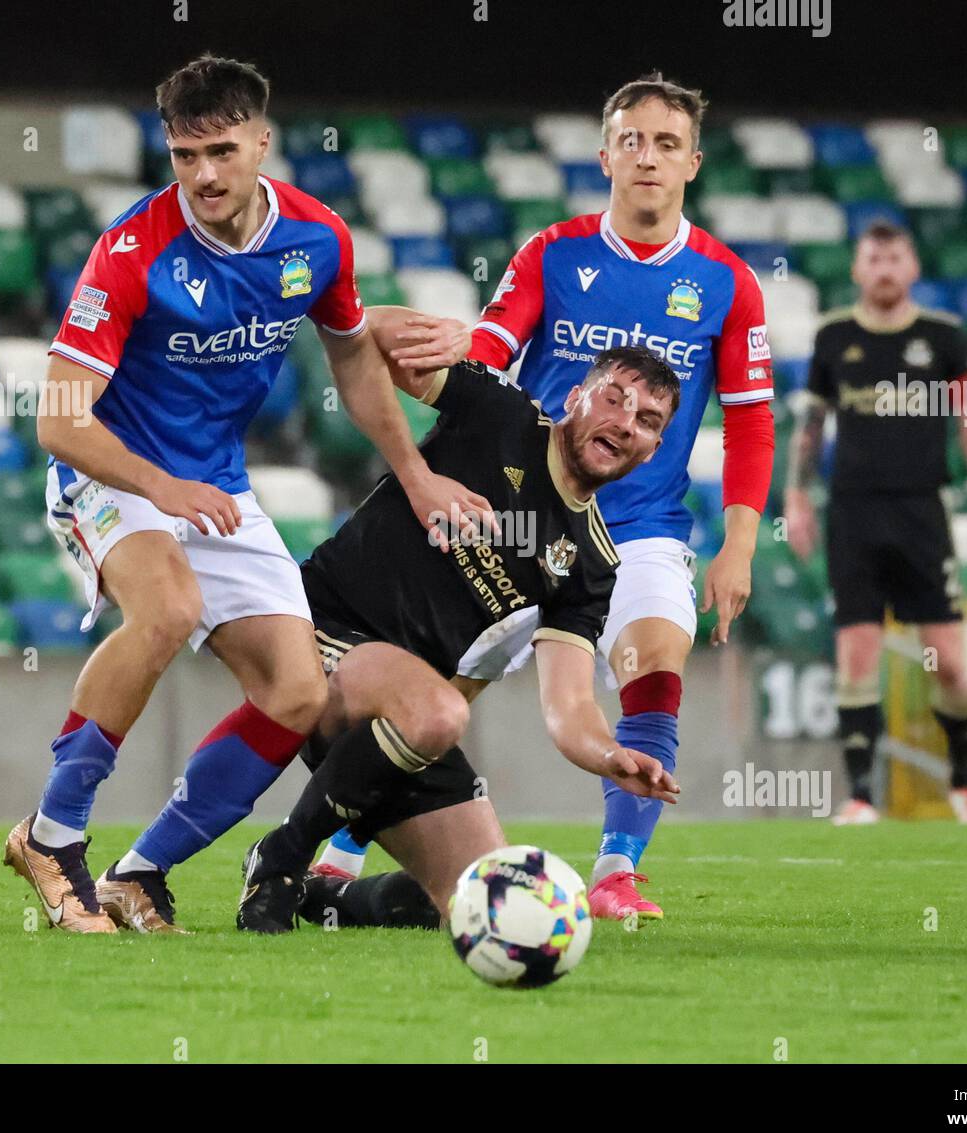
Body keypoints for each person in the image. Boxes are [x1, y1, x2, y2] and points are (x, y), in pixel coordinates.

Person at [2, 55, 490, 933]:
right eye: (184, 156)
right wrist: (164, 486)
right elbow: (59, 421)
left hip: (213, 485)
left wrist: (415, 476)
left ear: (263, 143)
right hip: (114, 472)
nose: (204, 175)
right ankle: (52, 835)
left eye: (222, 151)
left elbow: (353, 358)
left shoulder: (316, 240)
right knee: (162, 610)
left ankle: (139, 872)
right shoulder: (130, 251)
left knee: (299, 693)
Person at [312, 74, 776, 921]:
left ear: (693, 164)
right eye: (631, 140)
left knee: (652, 667)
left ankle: (617, 868)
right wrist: (455, 341)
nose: (647, 156)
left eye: (666, 143)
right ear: (605, 156)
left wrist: (738, 542)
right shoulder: (553, 253)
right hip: (535, 515)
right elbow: (490, 350)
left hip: (641, 525)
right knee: (449, 691)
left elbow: (751, 423)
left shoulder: (727, 283)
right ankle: (339, 846)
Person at [236, 328, 683, 934]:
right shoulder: (502, 414)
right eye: (615, 399)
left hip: (410, 724)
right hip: (322, 637)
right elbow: (358, 331)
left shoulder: (592, 562)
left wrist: (609, 756)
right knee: (439, 712)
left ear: (653, 449)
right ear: (575, 396)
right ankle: (283, 857)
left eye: (649, 420)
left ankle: (325, 901)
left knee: (495, 906)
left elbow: (570, 706)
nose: (628, 423)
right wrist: (445, 331)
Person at [784, 220, 967, 825]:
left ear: (912, 268)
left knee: (952, 664)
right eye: (873, 258)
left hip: (922, 512)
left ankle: (964, 782)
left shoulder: (943, 337)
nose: (884, 269)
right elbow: (811, 426)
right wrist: (796, 498)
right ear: (858, 269)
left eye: (895, 258)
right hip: (853, 512)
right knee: (857, 653)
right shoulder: (834, 337)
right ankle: (860, 796)